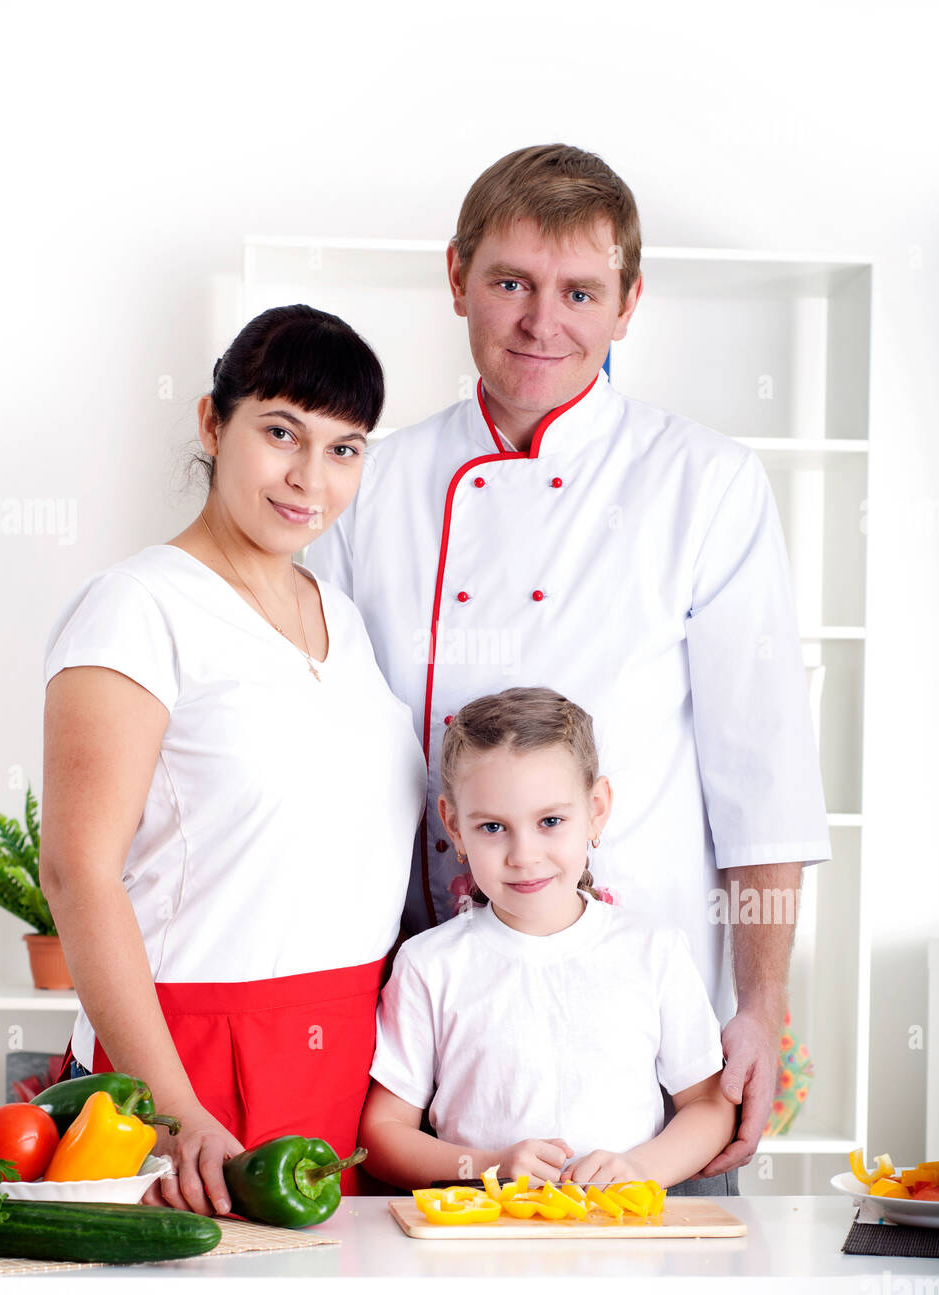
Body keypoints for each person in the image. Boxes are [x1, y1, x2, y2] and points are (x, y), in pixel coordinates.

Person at [304, 145, 832, 1194]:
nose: (544, 324)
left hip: (647, 1059)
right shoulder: (375, 479)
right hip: (434, 1018)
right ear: (456, 277)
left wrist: (761, 1005)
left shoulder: (704, 481)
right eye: (511, 284)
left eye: (581, 291)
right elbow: (325, 748)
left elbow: (761, 777)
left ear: (629, 303)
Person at [39, 304, 427, 1213]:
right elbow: (77, 874)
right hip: (192, 1059)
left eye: (345, 449)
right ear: (214, 424)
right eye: (281, 433)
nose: (310, 478)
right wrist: (173, 1110)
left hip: (350, 1058)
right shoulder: (136, 609)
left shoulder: (345, 616)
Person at [359, 688, 738, 1191]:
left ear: (597, 809)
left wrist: (643, 1171)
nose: (524, 854)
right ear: (454, 825)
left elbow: (709, 1104)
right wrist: (489, 1164)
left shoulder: (654, 950)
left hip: (622, 1243)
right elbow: (382, 1135)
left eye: (550, 822)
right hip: (480, 1247)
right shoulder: (429, 964)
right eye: (493, 826)